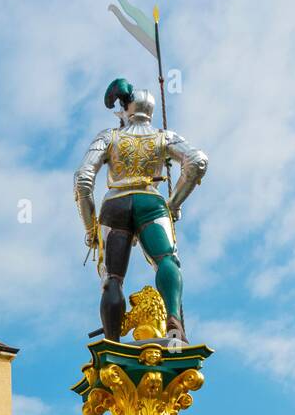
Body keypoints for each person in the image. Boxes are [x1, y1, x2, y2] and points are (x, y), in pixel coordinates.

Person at [74, 77, 208, 342]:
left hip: (115, 203)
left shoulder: (109, 137)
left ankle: (112, 340)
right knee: (166, 260)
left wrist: (90, 228)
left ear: (124, 111)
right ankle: (174, 319)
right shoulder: (163, 137)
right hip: (151, 200)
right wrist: (173, 203)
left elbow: (83, 179)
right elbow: (197, 162)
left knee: (112, 278)